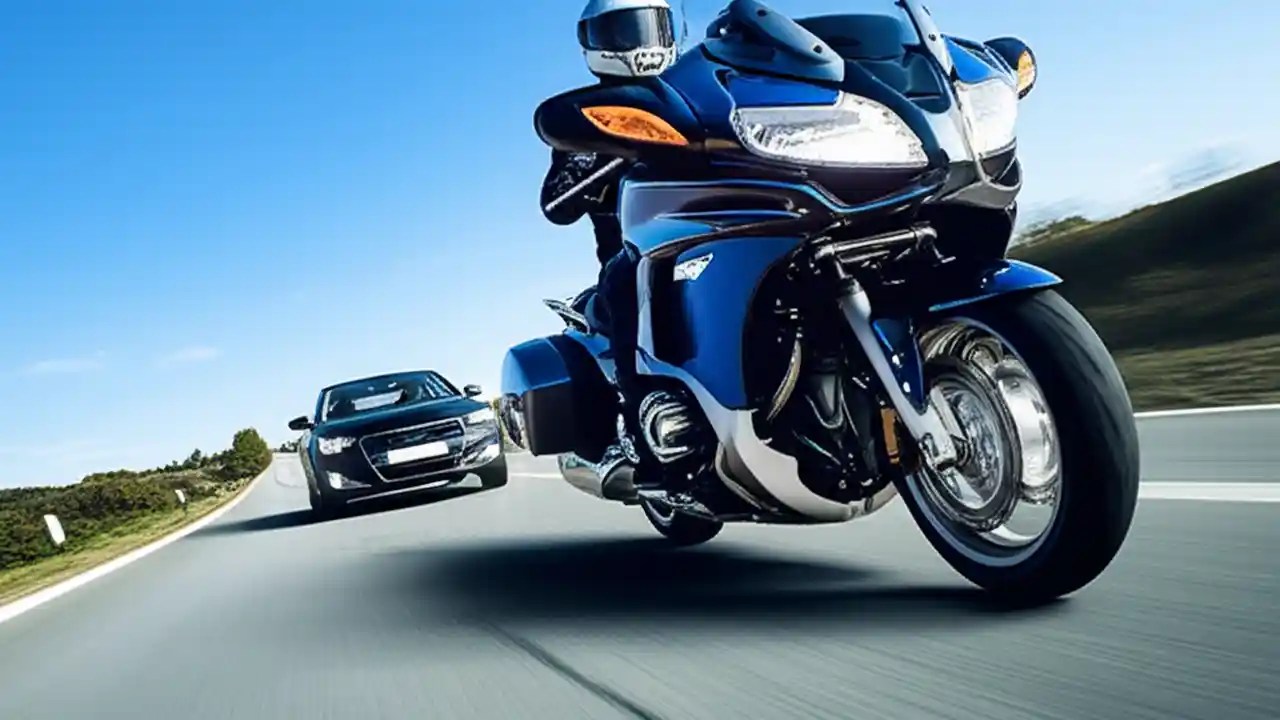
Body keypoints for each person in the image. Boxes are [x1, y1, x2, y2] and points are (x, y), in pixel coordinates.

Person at [539, 0, 678, 474]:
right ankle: (646, 438)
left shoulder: (692, 90)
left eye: (648, 24)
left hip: (715, 226)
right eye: (622, 30)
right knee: (626, 281)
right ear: (595, 42)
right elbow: (556, 206)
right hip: (638, 249)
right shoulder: (591, 114)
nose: (639, 39)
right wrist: (601, 157)